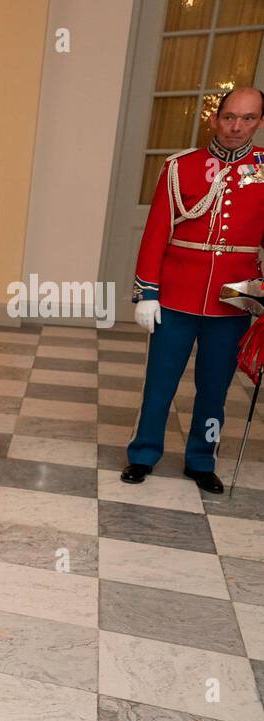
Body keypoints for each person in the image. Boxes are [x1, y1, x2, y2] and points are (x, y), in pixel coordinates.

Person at [124, 86, 264, 494]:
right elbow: (155, 236)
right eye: (229, 117)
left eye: (248, 118)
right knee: (160, 382)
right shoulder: (180, 166)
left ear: (259, 122)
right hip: (177, 296)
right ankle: (143, 453)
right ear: (215, 118)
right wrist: (147, 292)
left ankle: (202, 459)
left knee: (215, 388)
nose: (236, 127)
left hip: (236, 298)